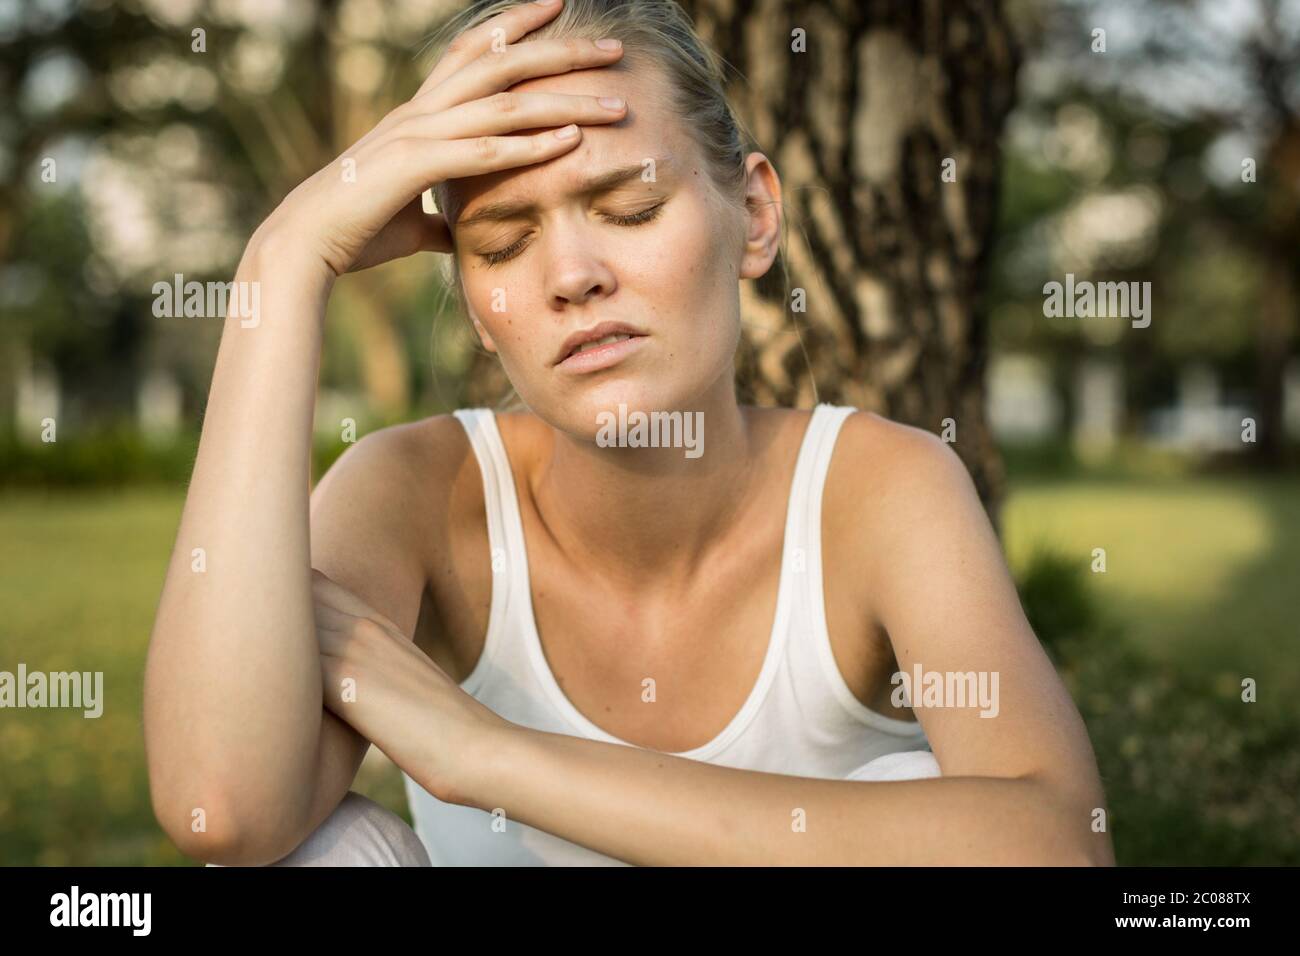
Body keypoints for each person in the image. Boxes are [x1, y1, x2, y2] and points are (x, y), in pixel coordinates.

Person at [144, 0, 1113, 867]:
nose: (572, 274)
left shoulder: (881, 487)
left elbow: (1057, 846)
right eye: (504, 243)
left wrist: (483, 752)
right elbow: (222, 809)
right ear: (479, 308)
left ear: (754, 214)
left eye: (631, 206)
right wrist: (283, 259)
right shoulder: (414, 488)